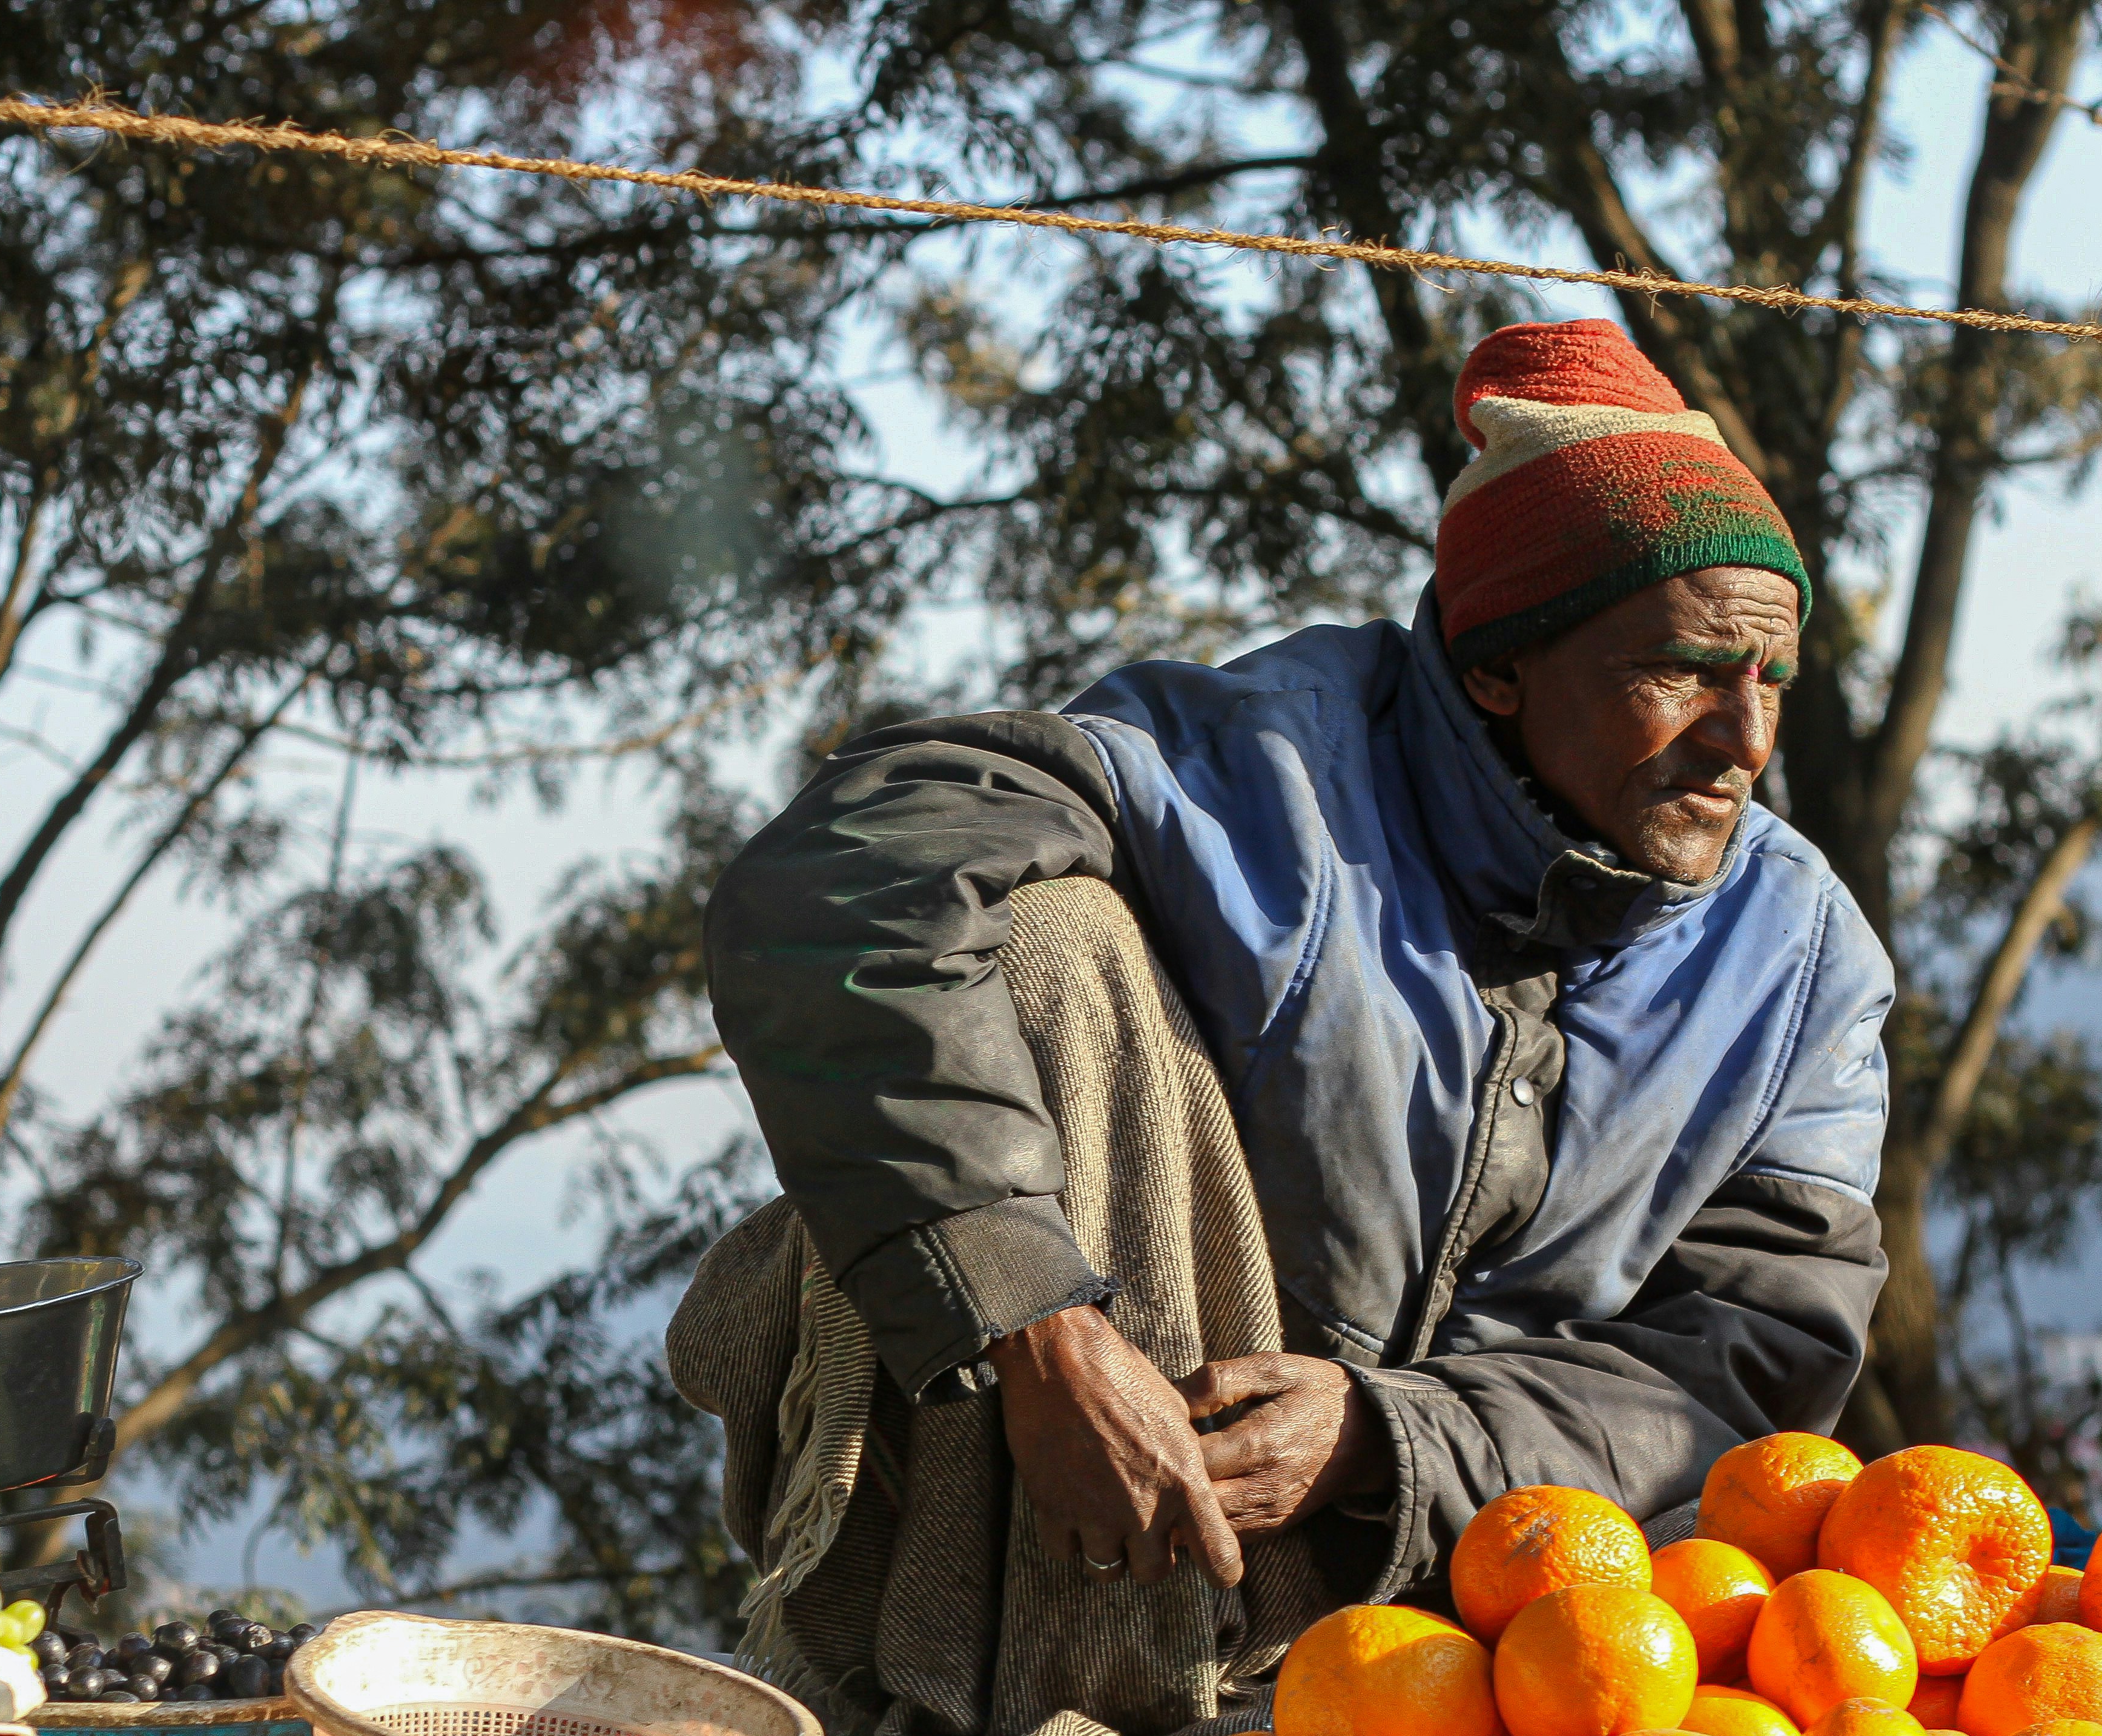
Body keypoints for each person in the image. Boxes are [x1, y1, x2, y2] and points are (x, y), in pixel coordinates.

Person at [704, 316, 1892, 1612]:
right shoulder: (1257, 772)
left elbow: (1748, 1360)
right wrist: (1034, 1323)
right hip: (1092, 1533)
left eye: (1775, 676)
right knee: (1052, 943)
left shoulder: (1800, 956)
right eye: (1684, 670)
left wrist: (1389, 1438)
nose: (1748, 737)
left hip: (1496, 1632)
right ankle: (1009, 1688)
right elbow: (829, 890)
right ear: (1499, 667)